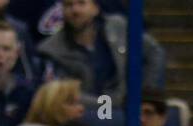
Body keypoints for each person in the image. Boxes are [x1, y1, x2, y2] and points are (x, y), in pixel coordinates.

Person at [37, 0, 166, 104]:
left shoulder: (118, 26)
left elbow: (155, 52)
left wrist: (143, 93)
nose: (75, 10)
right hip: (84, 114)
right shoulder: (50, 50)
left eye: (81, 3)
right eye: (68, 5)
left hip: (127, 109)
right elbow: (62, 92)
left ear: (95, 8)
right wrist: (107, 105)